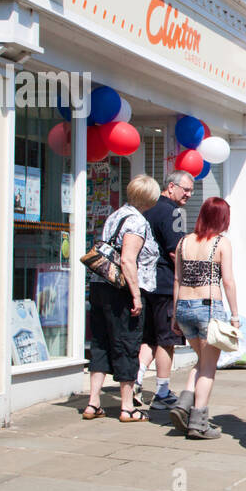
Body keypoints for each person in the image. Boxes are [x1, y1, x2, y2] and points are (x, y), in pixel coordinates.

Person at [83, 175, 162, 422]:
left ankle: (93, 402)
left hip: (99, 286)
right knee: (127, 344)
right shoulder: (137, 222)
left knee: (101, 342)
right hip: (122, 291)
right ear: (151, 198)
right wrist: (136, 296)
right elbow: (128, 260)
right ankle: (127, 406)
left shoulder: (115, 215)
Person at [170, 197, 240, 438]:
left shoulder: (183, 242)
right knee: (209, 367)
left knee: (201, 361)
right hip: (209, 307)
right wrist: (235, 314)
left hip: (184, 307)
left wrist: (174, 314)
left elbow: (177, 279)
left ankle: (183, 404)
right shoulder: (221, 243)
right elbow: (228, 281)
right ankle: (199, 422)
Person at [137, 171, 193, 411]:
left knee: (148, 337)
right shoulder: (173, 212)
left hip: (145, 282)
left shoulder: (147, 208)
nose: (189, 195)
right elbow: (175, 250)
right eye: (186, 190)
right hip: (165, 284)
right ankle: (161, 391)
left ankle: (136, 380)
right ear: (171, 187)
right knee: (166, 339)